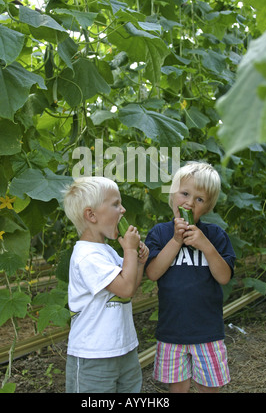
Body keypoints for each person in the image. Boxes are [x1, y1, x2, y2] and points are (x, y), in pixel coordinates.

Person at [145, 161, 236, 393]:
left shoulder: (215, 235)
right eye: (185, 193)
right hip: (172, 332)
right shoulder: (160, 233)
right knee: (178, 389)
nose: (189, 202)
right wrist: (176, 241)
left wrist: (205, 245)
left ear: (207, 207)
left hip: (207, 332)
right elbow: (153, 272)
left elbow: (224, 277)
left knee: (208, 388)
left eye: (199, 199)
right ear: (173, 194)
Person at [63, 176, 149, 393]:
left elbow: (128, 290)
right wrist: (129, 250)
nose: (123, 209)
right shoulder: (86, 255)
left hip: (123, 348)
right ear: (91, 215)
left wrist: (138, 263)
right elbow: (125, 288)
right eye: (115, 204)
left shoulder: (107, 251)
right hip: (93, 354)